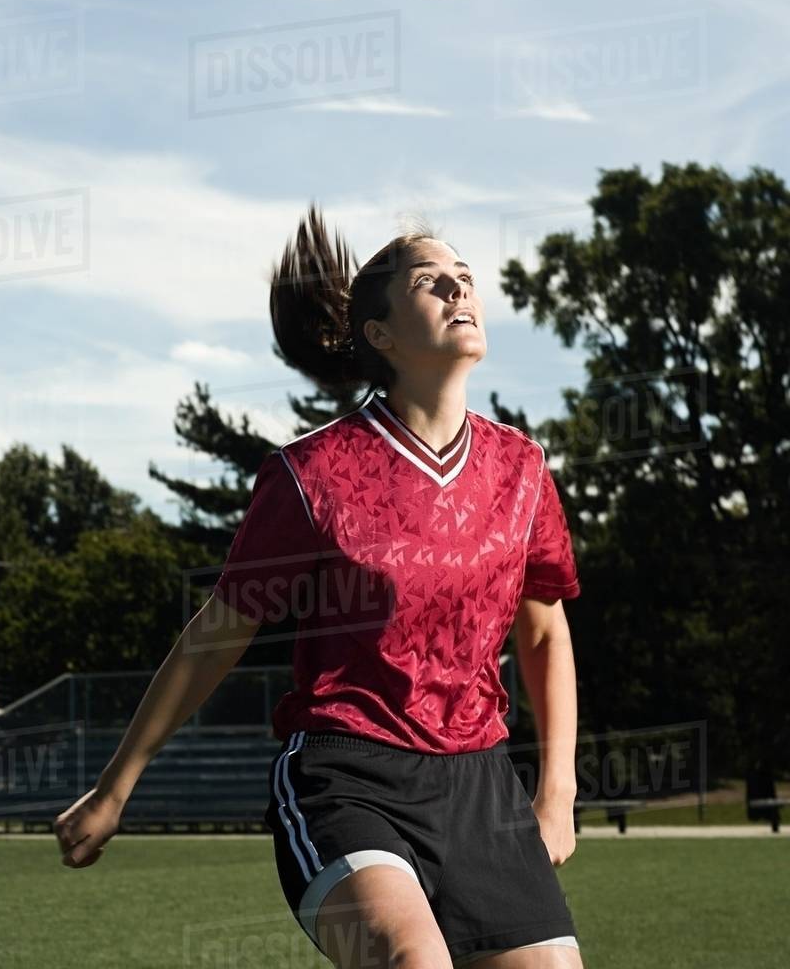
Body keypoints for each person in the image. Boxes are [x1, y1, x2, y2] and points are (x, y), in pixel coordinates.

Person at [54, 204, 584, 969]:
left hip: (482, 787)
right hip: (347, 774)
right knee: (412, 960)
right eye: (432, 280)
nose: (459, 288)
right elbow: (216, 635)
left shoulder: (524, 469)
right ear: (380, 334)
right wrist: (114, 786)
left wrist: (557, 791)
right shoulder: (310, 476)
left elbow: (543, 631)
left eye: (465, 276)